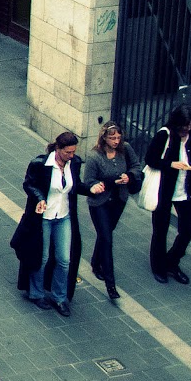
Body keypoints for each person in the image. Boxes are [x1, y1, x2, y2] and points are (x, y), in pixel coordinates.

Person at [10, 132, 85, 317]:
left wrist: (91, 188)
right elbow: (29, 184)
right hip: (44, 217)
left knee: (64, 259)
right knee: (41, 257)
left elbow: (76, 186)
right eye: (68, 152)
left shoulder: (74, 164)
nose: (71, 156)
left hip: (64, 216)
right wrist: (40, 199)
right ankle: (36, 293)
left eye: (73, 152)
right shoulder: (40, 164)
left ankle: (60, 297)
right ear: (58, 149)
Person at [81, 119, 143, 303]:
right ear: (104, 138)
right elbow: (88, 182)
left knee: (105, 233)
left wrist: (129, 176)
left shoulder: (126, 148)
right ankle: (110, 284)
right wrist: (107, 183)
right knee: (107, 239)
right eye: (112, 138)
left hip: (119, 199)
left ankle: (95, 261)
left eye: (118, 137)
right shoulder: (95, 157)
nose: (116, 141)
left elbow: (136, 166)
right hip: (100, 202)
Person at [144, 103, 191, 284]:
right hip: (165, 188)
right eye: (184, 126)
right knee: (160, 230)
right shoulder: (165, 134)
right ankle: (158, 266)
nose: (187, 130)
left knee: (187, 230)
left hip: (185, 189)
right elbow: (150, 159)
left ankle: (171, 261)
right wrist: (170, 164)